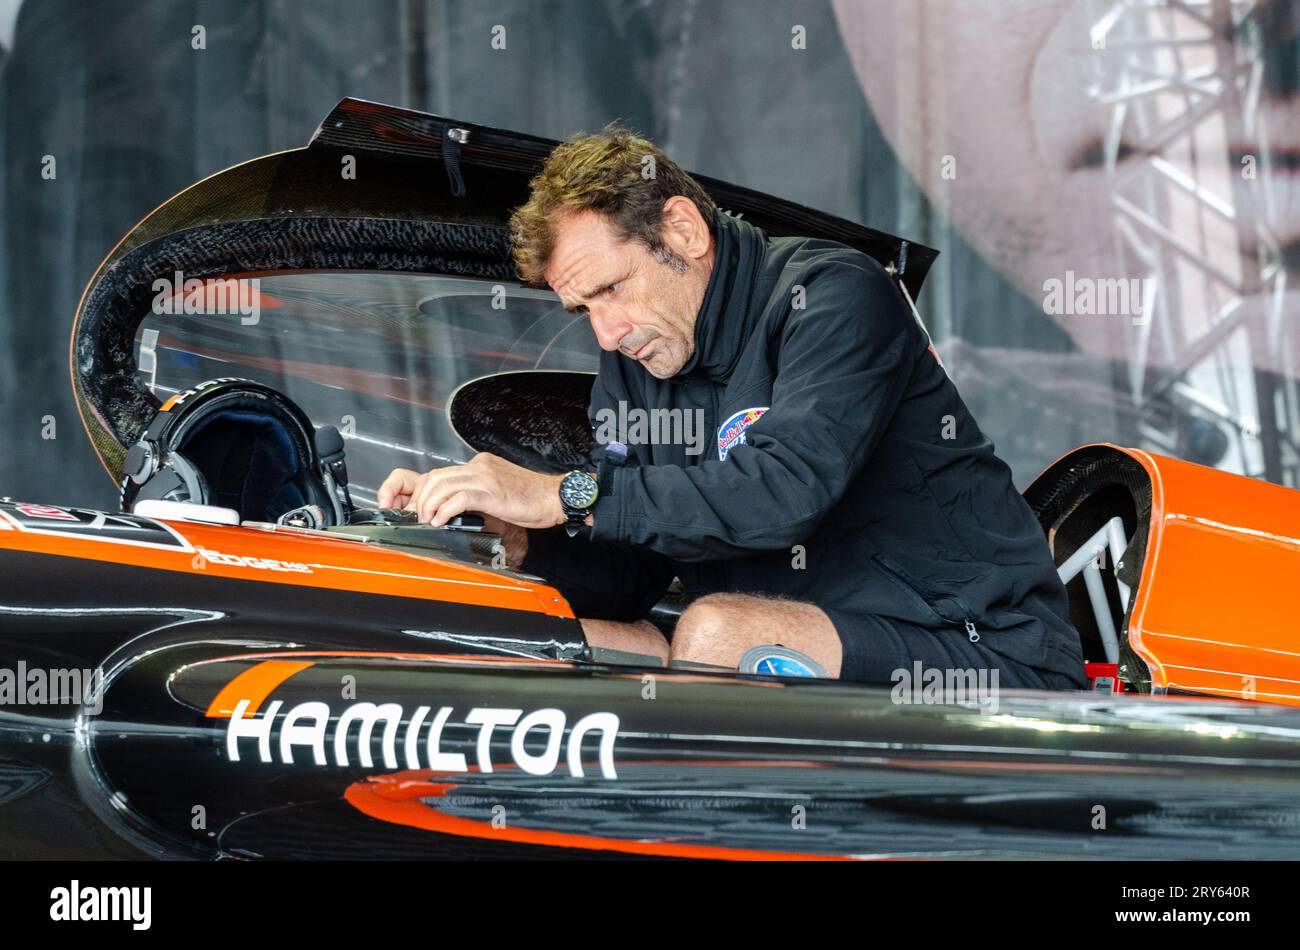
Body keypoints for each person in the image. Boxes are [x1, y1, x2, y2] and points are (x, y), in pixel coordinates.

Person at [379, 124, 1085, 688]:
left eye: (613, 290)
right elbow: (633, 574)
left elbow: (785, 493)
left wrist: (567, 492)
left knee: (717, 634)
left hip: (986, 656)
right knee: (599, 643)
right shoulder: (638, 362)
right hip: (817, 643)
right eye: (581, 309)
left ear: (683, 231)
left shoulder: (832, 295)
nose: (606, 332)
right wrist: (519, 537)